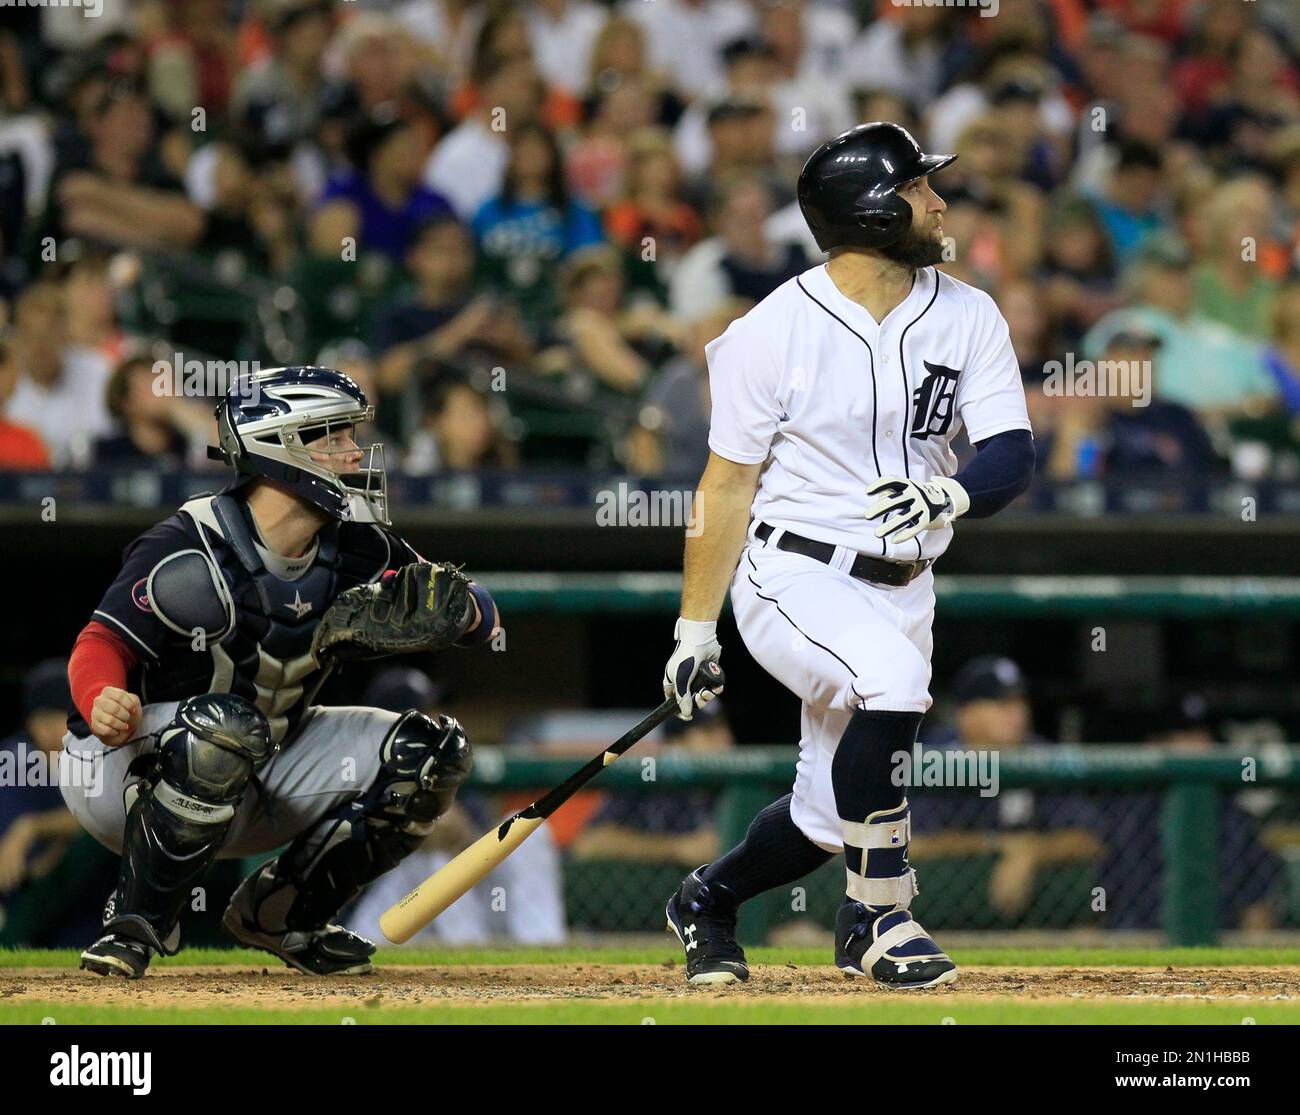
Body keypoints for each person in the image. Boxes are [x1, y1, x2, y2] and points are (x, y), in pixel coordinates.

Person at [659, 123, 1036, 988]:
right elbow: (724, 487)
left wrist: (956, 492)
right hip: (794, 571)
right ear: (872, 212)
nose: (937, 202)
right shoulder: (771, 329)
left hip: (906, 583)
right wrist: (694, 629)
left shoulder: (969, 312)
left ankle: (707, 899)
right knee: (894, 684)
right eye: (917, 189)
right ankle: (878, 913)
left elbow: (1013, 451)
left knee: (829, 815)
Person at [58, 366, 502, 979]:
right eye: (336, 437)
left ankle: (283, 915)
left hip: (264, 759)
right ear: (280, 446)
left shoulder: (360, 544)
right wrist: (101, 694)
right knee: (224, 728)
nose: (355, 453)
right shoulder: (187, 542)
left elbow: (476, 612)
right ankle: (133, 924)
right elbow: (99, 641)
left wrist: (467, 610)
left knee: (433, 751)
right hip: (120, 767)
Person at [345, 666, 566, 945]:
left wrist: (465, 839)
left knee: (525, 831)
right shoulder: (356, 775)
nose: (438, 721)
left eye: (435, 710)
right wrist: (415, 828)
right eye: (424, 715)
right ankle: (469, 956)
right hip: (376, 920)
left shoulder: (448, 769)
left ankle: (542, 948)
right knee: (428, 857)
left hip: (457, 914)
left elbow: (470, 839)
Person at [909, 656, 1103, 921]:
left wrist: (1032, 852)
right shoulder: (934, 758)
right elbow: (912, 843)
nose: (1017, 713)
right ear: (966, 712)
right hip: (934, 911)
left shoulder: (1041, 756)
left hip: (1030, 915)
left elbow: (1089, 838)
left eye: (1020, 702)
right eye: (1002, 703)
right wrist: (998, 845)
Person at [571, 697, 734, 867]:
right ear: (676, 744)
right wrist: (677, 848)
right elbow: (587, 846)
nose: (726, 739)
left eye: (724, 727)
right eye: (709, 731)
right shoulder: (647, 787)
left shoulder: (740, 790)